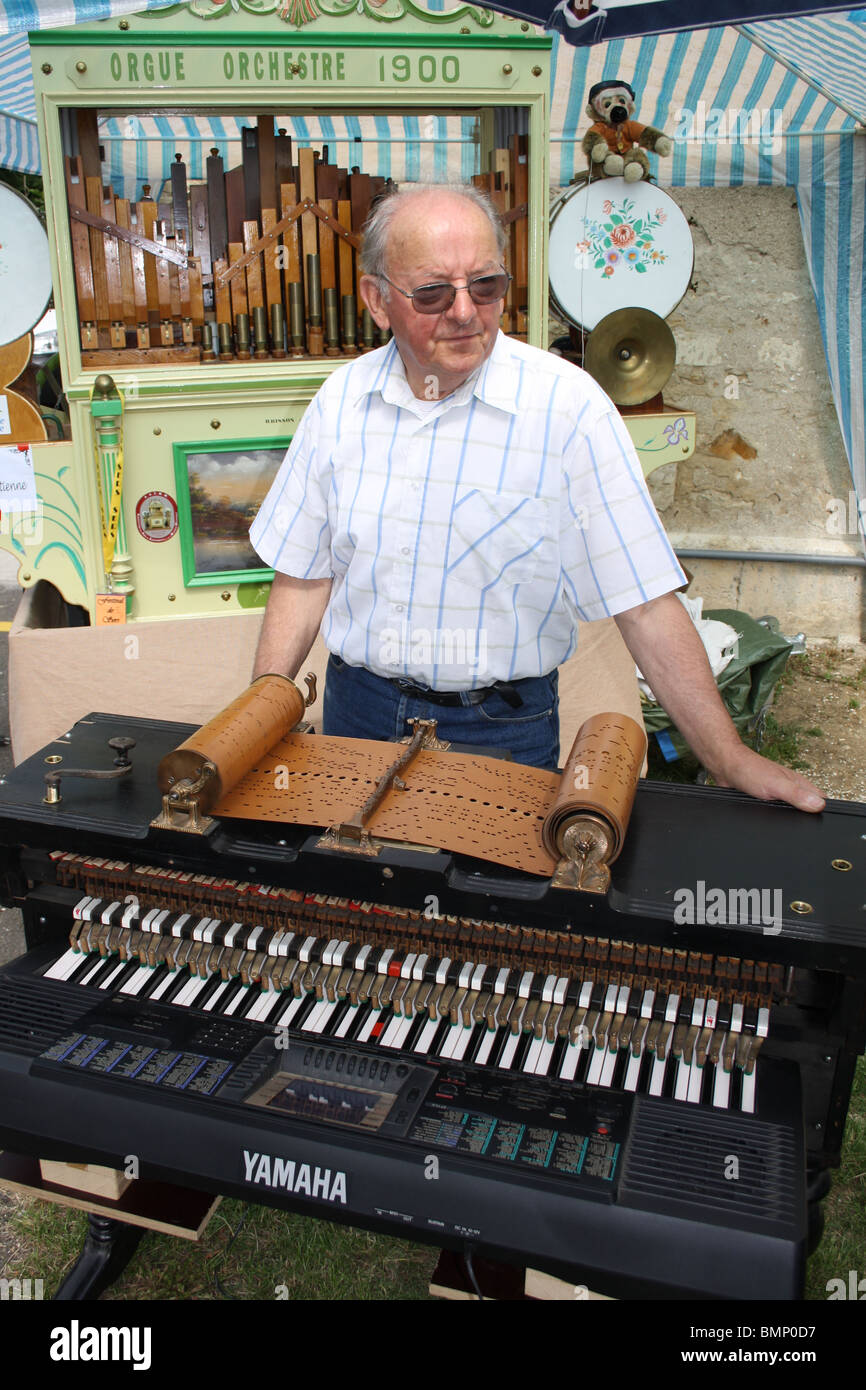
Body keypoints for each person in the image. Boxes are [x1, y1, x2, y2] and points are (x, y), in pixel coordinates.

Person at [250, 181, 824, 813]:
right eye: (434, 291)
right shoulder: (339, 404)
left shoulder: (569, 409)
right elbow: (302, 579)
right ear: (377, 300)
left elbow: (645, 605)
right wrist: (259, 719)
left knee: (492, 908)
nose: (465, 312)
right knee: (357, 901)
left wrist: (725, 755)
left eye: (487, 285)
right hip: (357, 714)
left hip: (499, 730)